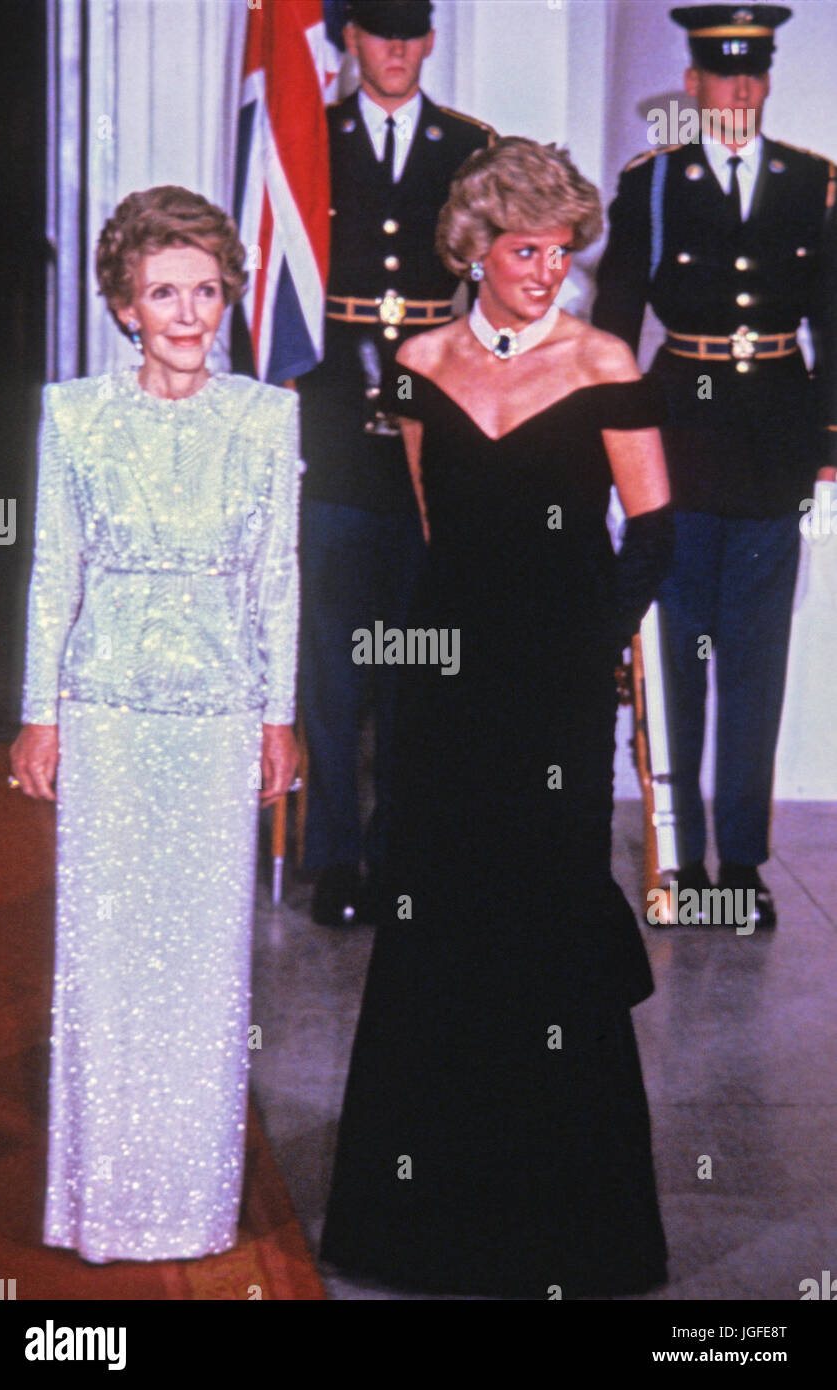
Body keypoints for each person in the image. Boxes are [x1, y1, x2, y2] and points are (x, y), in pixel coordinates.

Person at [320, 139, 673, 1299]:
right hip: (446, 686)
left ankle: (568, 1234)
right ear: (475, 249)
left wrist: (590, 645)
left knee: (546, 913)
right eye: (525, 248)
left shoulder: (604, 358)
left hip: (557, 687)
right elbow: (436, 531)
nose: (547, 270)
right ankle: (417, 1229)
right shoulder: (415, 364)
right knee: (439, 914)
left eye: (564, 248)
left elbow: (653, 534)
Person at [9, 186, 301, 1263]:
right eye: (162, 292)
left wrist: (279, 716)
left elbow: (279, 575)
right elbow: (54, 572)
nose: (186, 311)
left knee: (204, 970)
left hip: (219, 718)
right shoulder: (73, 413)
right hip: (112, 715)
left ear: (227, 297)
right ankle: (100, 1202)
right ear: (126, 306)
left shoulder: (267, 416)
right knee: (109, 961)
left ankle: (190, 1203)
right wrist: (42, 715)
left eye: (205, 290)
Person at [593, 4, 837, 928]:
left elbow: (833, 325)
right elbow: (616, 323)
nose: (737, 90)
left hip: (774, 446)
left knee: (755, 667)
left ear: (766, 82)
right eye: (719, 74)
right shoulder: (654, 187)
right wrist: (604, 445)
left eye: (752, 74)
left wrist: (828, 450)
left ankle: (741, 862)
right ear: (691, 86)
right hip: (677, 448)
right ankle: (680, 856)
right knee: (678, 658)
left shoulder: (813, 184)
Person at [296, 0, 494, 926]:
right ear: (348, 40)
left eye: (413, 33)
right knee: (335, 661)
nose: (398, 52)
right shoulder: (307, 134)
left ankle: (404, 859)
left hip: (434, 429)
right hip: (331, 426)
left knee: (418, 658)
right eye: (380, 34)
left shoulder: (470, 145)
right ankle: (335, 860)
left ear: (430, 38)